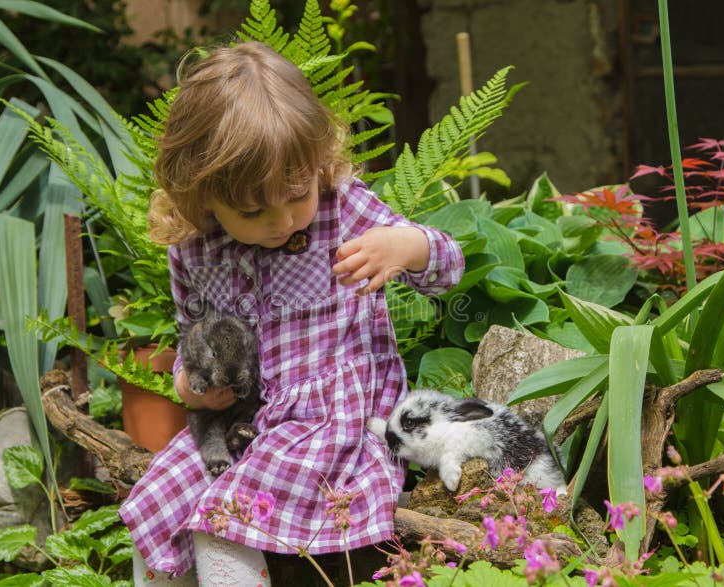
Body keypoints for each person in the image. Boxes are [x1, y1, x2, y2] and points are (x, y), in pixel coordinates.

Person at [119, 41, 465, 586]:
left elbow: (449, 267)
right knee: (157, 503)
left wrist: (407, 247)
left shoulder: (344, 209)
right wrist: (192, 386)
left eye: (296, 194)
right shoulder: (194, 249)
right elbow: (195, 339)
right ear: (203, 196)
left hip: (330, 420)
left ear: (315, 162)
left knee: (223, 521)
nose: (282, 221)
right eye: (254, 211)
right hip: (241, 420)